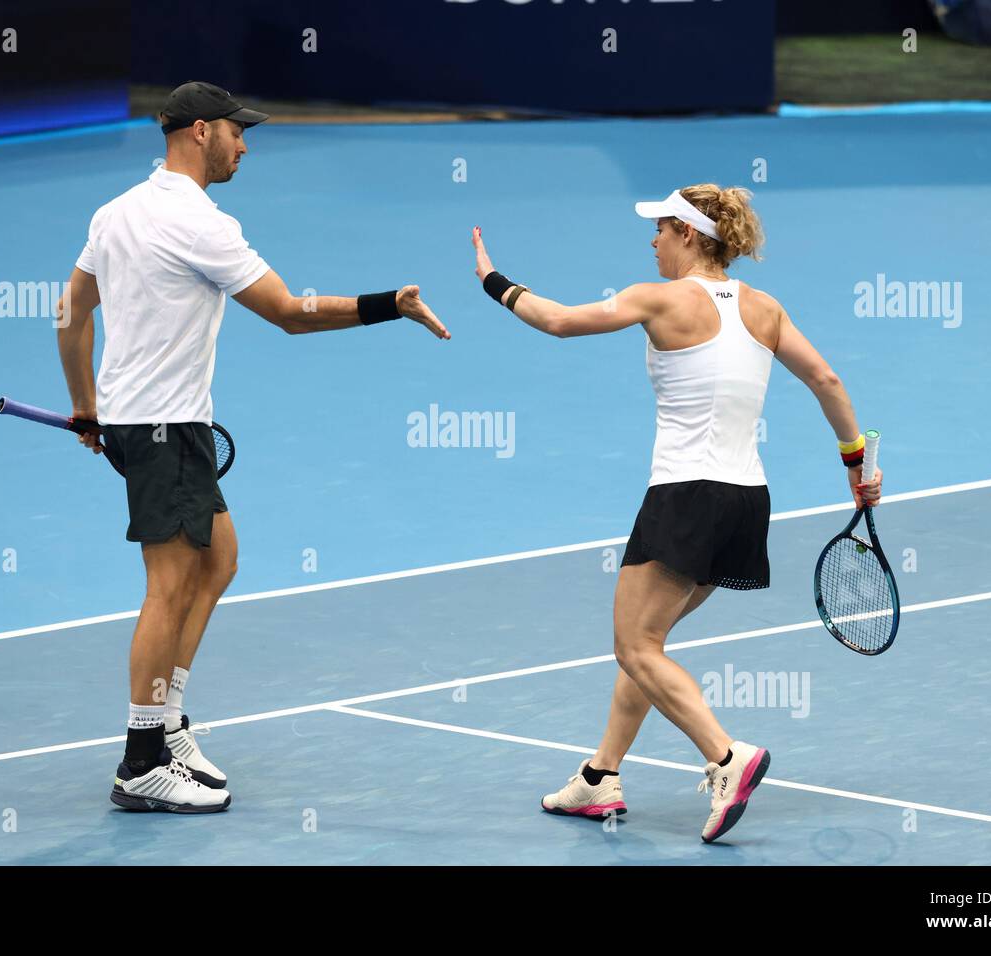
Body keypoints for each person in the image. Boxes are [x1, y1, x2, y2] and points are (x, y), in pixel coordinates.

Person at [57, 82, 449, 813]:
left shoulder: (114, 214)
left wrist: (87, 404)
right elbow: (288, 314)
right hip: (167, 429)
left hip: (153, 427)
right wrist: (383, 307)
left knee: (219, 558)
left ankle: (167, 722)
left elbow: (71, 310)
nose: (247, 146)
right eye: (240, 132)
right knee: (168, 585)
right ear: (200, 131)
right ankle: (141, 759)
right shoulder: (202, 223)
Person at [470, 185, 881, 842]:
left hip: (685, 497)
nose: (652, 241)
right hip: (747, 502)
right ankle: (599, 778)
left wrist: (493, 281)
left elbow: (557, 321)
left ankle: (726, 756)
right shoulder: (766, 307)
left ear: (688, 235)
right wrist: (857, 466)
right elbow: (827, 381)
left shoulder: (659, 297)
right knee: (648, 646)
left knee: (633, 644)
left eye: (660, 229)